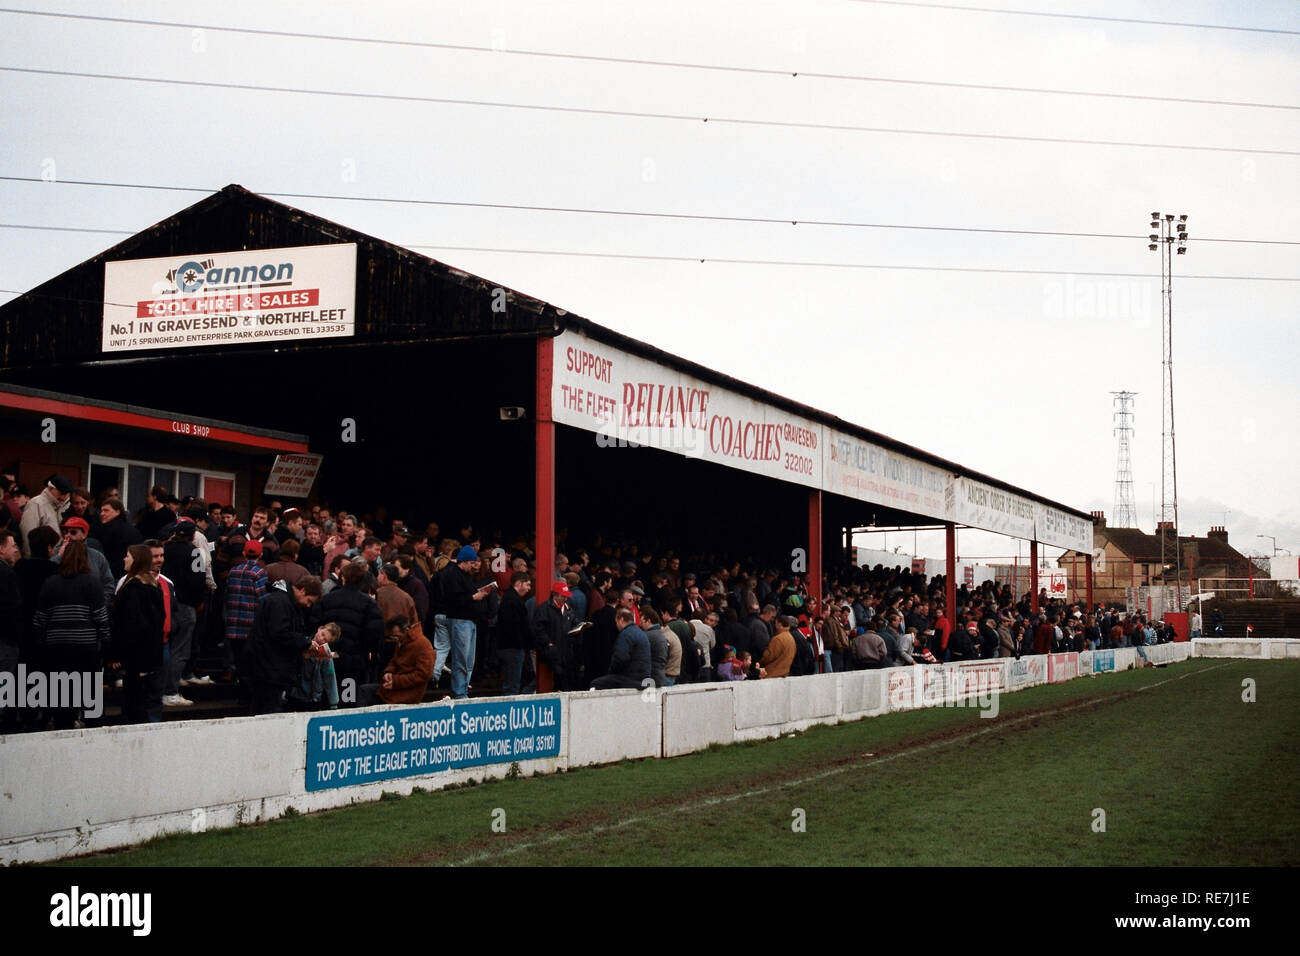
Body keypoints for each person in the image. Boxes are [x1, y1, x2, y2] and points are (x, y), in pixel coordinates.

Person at [32, 540, 110, 728]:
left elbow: (40, 619)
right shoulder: (92, 582)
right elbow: (101, 618)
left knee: (63, 697)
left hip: (57, 648)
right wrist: (106, 644)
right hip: (86, 647)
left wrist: (41, 642)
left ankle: (63, 729)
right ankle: (94, 732)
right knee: (90, 696)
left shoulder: (51, 583)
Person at [244, 576, 326, 714]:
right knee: (267, 709)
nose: (308, 605)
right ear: (302, 590)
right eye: (309, 601)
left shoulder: (284, 602)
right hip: (268, 668)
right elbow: (279, 633)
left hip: (269, 667)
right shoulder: (280, 602)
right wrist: (305, 643)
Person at [110, 543, 167, 723]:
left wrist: (120, 655)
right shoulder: (153, 586)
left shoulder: (133, 588)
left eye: (128, 556)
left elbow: (132, 624)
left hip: (135, 657)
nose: (125, 559)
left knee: (133, 703)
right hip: (149, 655)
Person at [590, 607, 651, 690]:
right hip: (644, 678)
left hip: (632, 679)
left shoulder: (625, 634)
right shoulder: (641, 633)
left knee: (595, 684)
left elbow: (620, 659)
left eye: (616, 622)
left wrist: (611, 672)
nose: (616, 625)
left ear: (621, 620)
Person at [496, 570, 533, 696]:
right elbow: (515, 626)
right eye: (527, 584)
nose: (529, 588)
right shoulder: (513, 600)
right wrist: (522, 643)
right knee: (511, 686)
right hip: (512, 648)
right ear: (519, 583)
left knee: (511, 683)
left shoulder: (510, 598)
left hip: (509, 646)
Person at [19, 474, 72, 557]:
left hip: (61, 557)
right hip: (41, 558)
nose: (64, 496)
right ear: (51, 488)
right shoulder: (36, 503)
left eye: (67, 493)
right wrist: (31, 559)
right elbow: (28, 535)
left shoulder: (67, 505)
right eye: (61, 492)